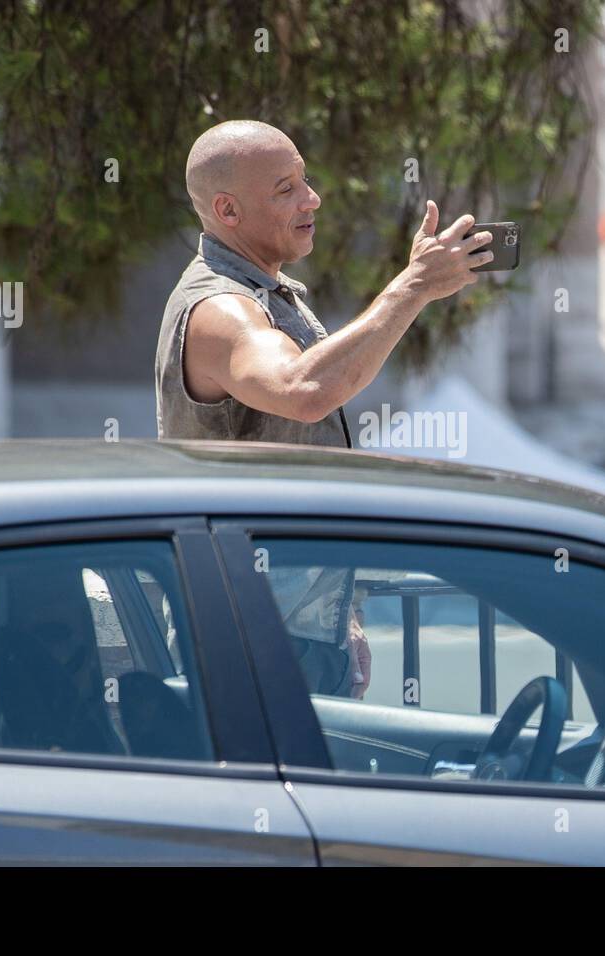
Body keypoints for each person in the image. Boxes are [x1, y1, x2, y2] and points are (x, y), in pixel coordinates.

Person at [155, 120, 492, 698]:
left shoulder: (269, 294)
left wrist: (341, 615)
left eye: (304, 180)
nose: (312, 199)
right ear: (228, 211)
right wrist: (411, 288)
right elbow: (304, 390)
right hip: (245, 639)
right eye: (285, 189)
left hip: (292, 635)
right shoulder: (219, 310)